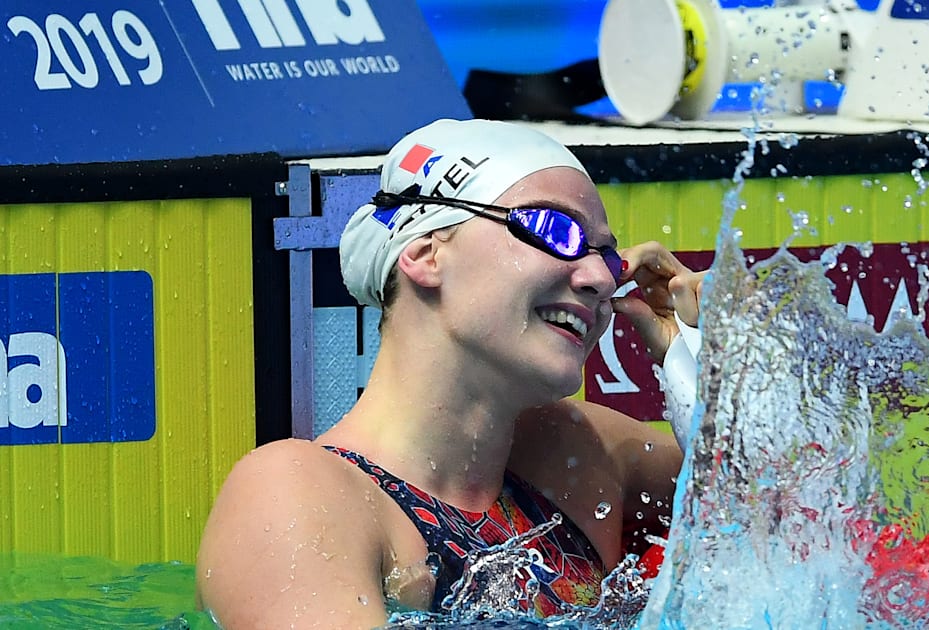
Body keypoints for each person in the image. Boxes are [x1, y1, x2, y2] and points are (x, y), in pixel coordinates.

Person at [195, 118, 706, 629]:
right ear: (424, 253)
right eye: (553, 229)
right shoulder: (298, 496)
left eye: (607, 256)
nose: (598, 278)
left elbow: (772, 520)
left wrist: (699, 359)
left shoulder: (578, 455)